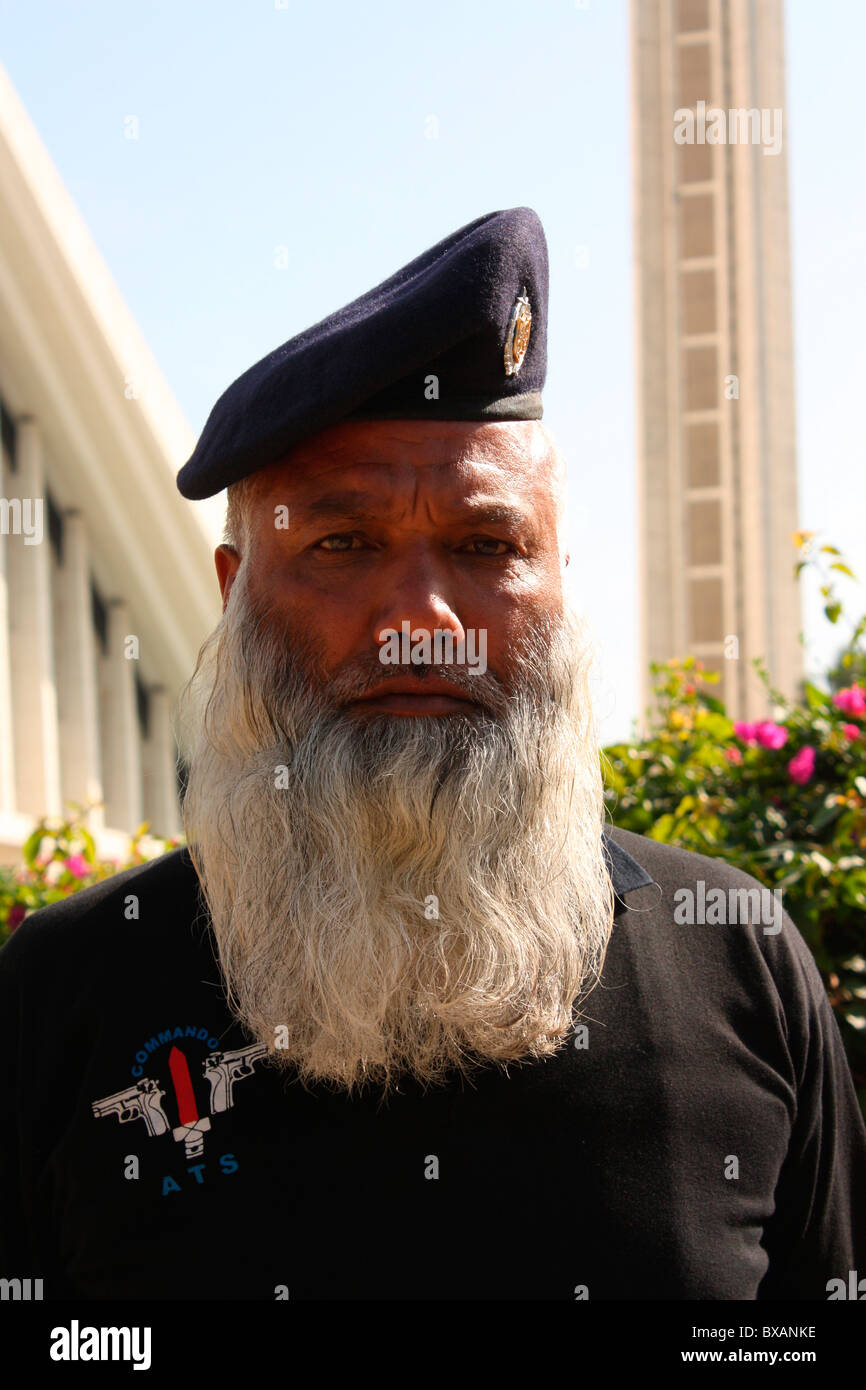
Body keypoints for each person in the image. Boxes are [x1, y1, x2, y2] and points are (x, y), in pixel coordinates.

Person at [0, 208, 863, 1301]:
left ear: (558, 585)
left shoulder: (739, 966)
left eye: (485, 545)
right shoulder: (70, 991)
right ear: (235, 600)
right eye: (343, 543)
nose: (422, 620)